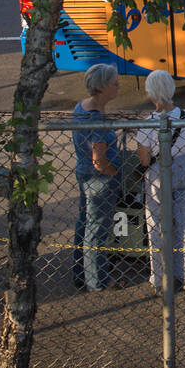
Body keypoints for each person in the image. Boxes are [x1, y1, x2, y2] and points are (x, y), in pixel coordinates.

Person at [134, 70, 185, 292]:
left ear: (151, 94)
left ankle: (159, 277)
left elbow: (145, 157)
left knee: (156, 225)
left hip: (159, 176)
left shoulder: (149, 123)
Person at [72, 64, 124, 291]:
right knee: (97, 231)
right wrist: (115, 174)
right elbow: (99, 160)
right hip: (100, 180)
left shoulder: (83, 108)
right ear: (102, 87)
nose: (118, 87)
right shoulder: (97, 120)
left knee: (84, 224)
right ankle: (99, 280)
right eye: (115, 84)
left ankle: (80, 272)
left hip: (84, 173)